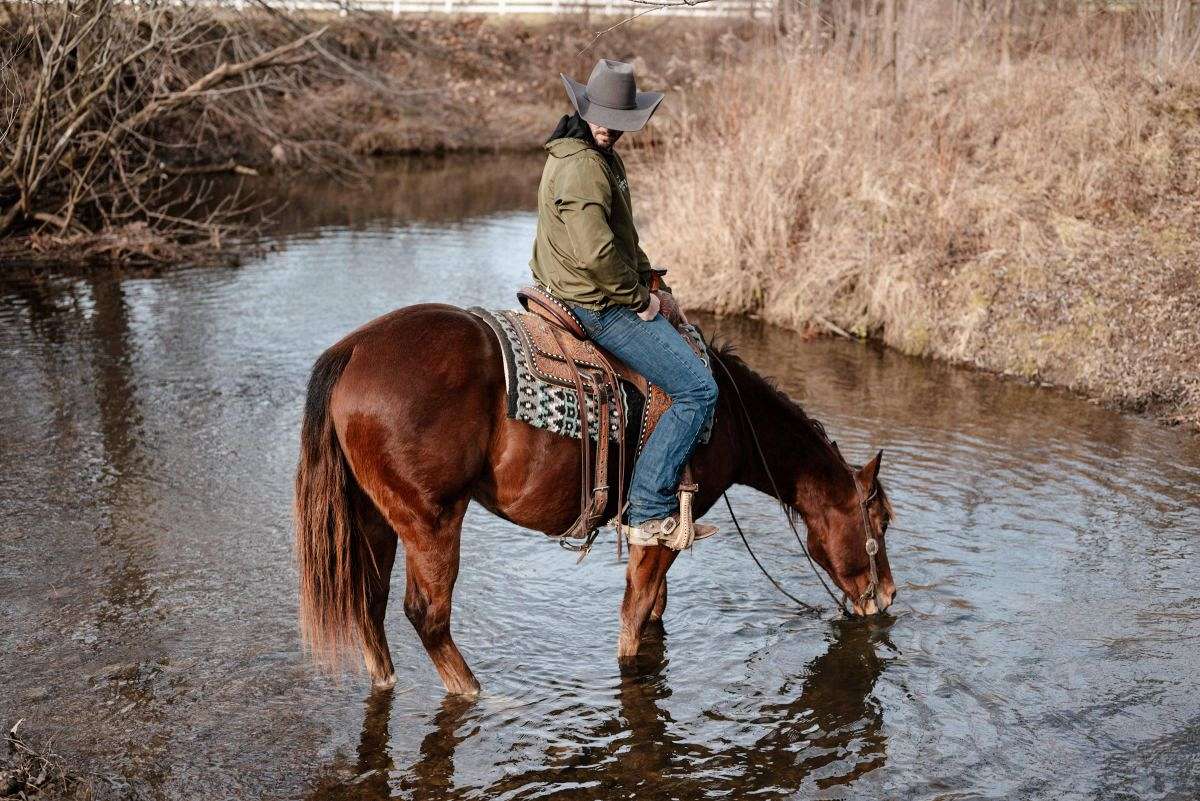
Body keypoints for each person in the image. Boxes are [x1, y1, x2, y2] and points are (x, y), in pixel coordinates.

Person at [529, 58, 718, 545]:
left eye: (619, 120)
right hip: (597, 303)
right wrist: (639, 300)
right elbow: (596, 253)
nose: (610, 128)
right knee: (699, 390)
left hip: (586, 287)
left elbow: (622, 241)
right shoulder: (584, 169)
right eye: (604, 117)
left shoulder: (594, 155)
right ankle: (649, 508)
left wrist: (651, 281)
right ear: (586, 108)